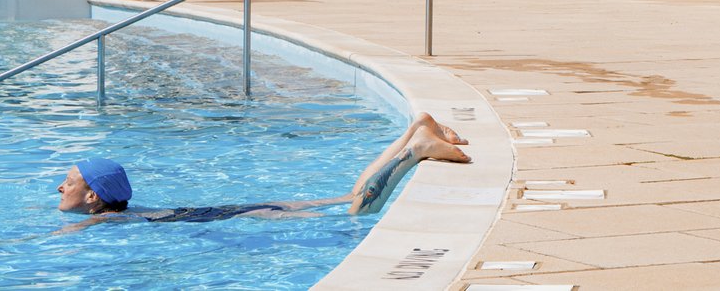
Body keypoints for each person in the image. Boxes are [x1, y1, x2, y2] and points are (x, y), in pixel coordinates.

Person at [54, 115, 469, 231]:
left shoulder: (99, 221)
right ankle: (415, 128)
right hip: (224, 210)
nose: (59, 186)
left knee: (356, 213)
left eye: (70, 181)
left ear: (94, 196)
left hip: (233, 214)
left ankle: (413, 152)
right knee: (346, 198)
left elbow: (45, 240)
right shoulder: (121, 212)